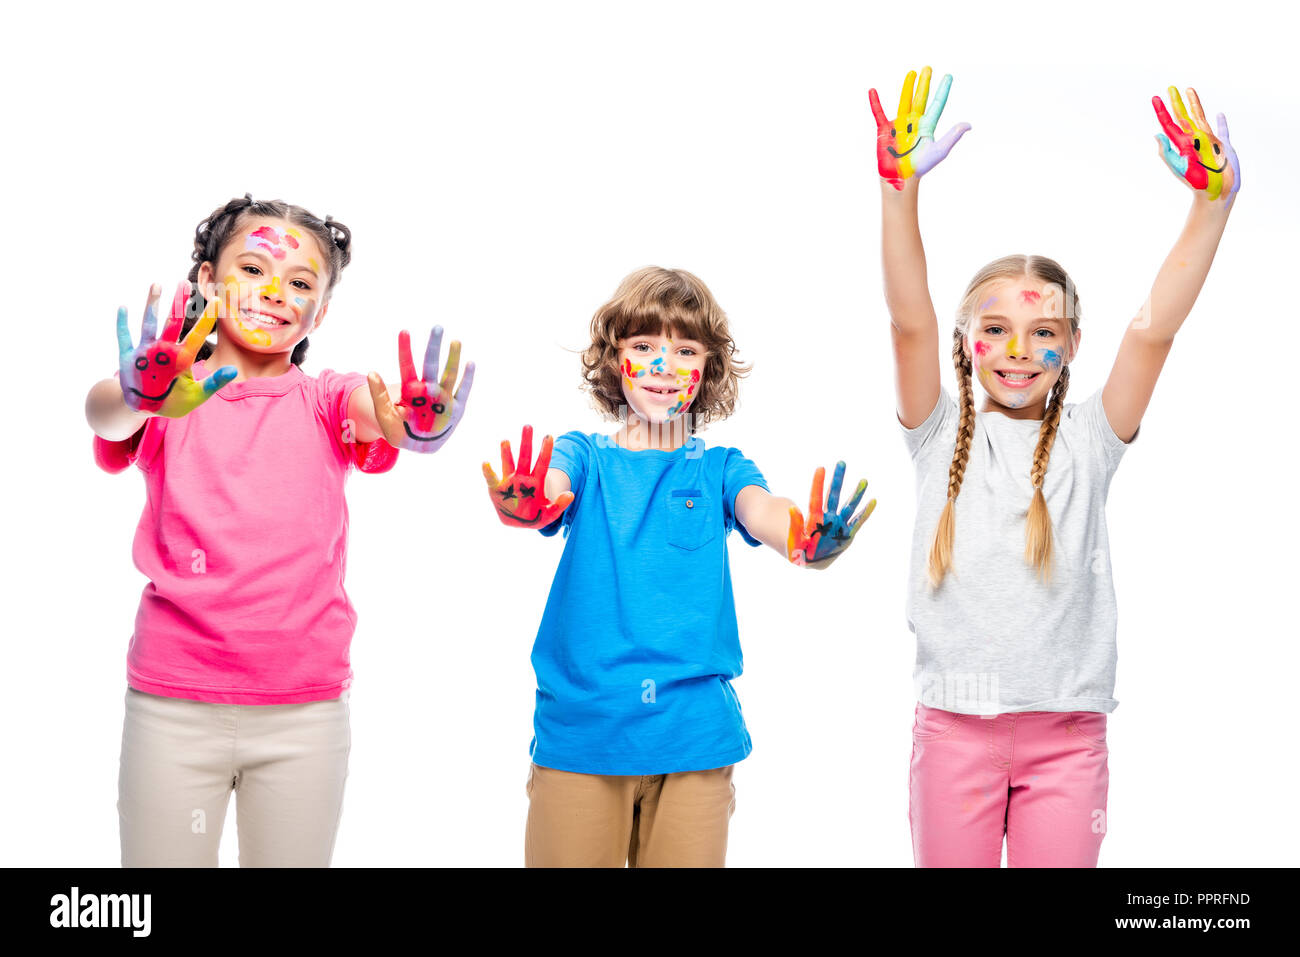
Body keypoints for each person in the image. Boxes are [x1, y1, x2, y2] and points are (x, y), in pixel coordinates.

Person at [873, 67, 1239, 866]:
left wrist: (1211, 206)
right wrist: (899, 194)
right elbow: (909, 320)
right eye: (995, 328)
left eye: (1043, 332)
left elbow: (1151, 332)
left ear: (1072, 344)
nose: (1017, 350)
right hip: (954, 727)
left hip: (1067, 737)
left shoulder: (1090, 438)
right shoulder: (935, 434)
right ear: (967, 341)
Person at [85, 194, 474, 866]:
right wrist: (139, 393)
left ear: (320, 310)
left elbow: (376, 414)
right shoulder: (169, 393)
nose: (275, 293)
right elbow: (104, 416)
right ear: (206, 280)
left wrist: (412, 422)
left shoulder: (325, 399)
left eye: (299, 283)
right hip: (172, 703)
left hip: (306, 712)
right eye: (253, 269)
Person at [482, 266, 875, 866]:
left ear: (708, 368)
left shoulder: (720, 467)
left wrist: (803, 536)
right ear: (615, 360)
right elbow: (548, 493)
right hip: (583, 737)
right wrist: (530, 500)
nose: (663, 365)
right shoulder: (583, 456)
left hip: (693, 739)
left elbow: (764, 510)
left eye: (684, 349)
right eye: (644, 347)